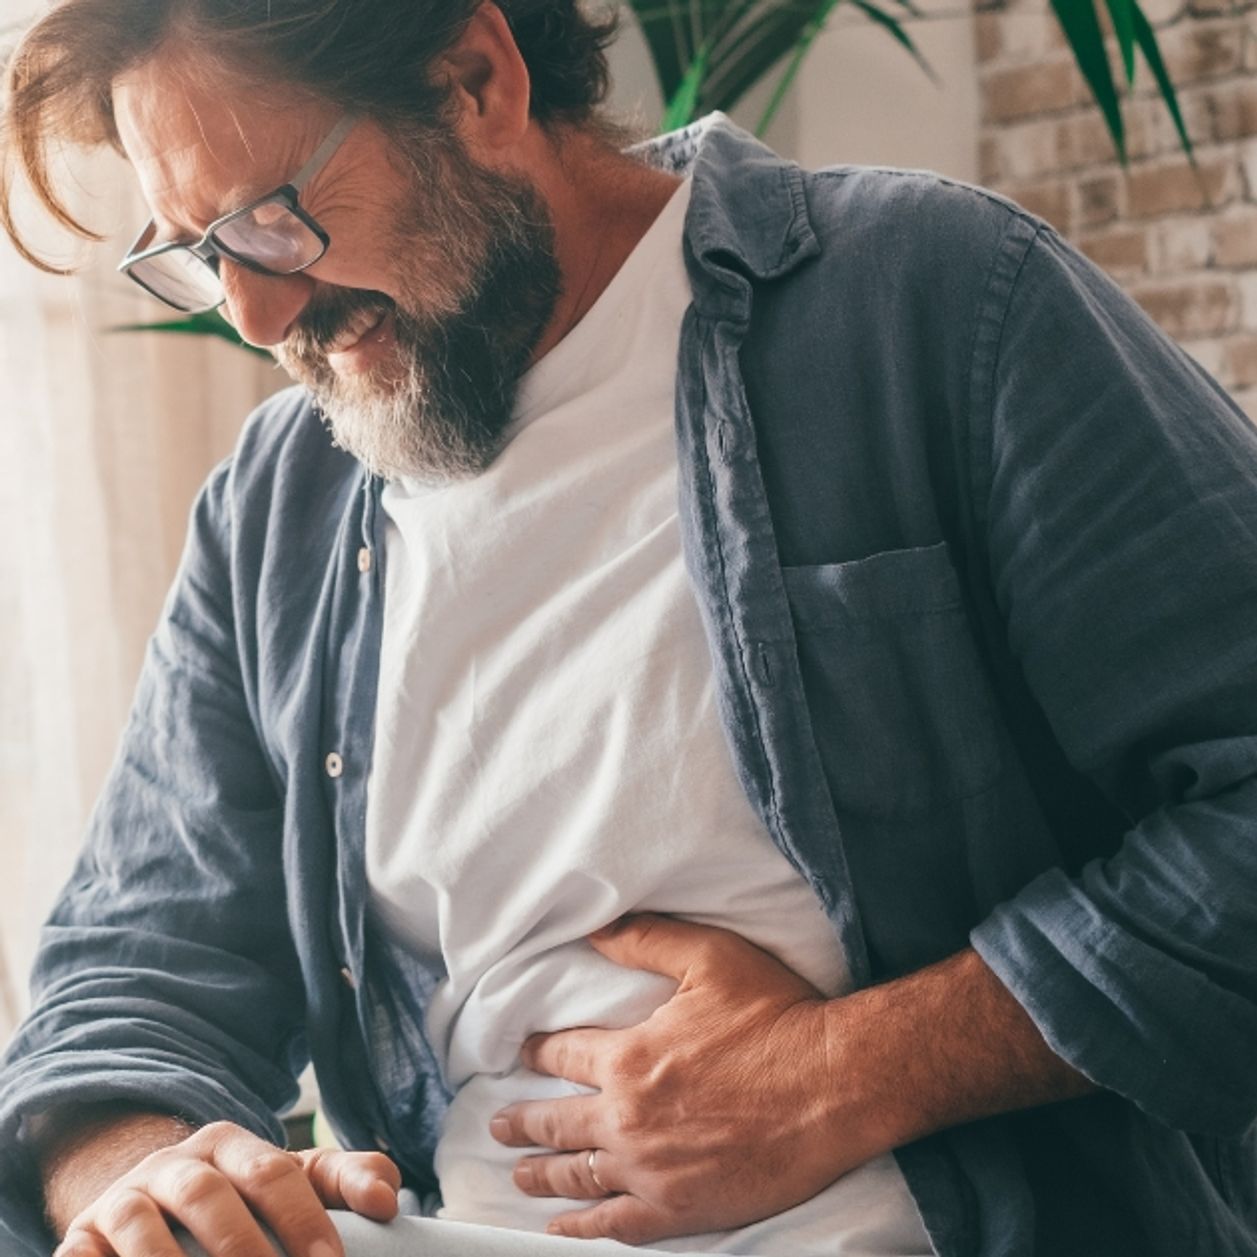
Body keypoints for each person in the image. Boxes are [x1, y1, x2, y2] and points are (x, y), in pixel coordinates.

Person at [2, 0, 1256, 1255]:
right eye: (199, 254)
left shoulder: (931, 297)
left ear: (476, 81)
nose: (257, 318)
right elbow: (127, 977)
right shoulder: (281, 505)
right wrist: (150, 1180)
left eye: (272, 220)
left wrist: (847, 1071)